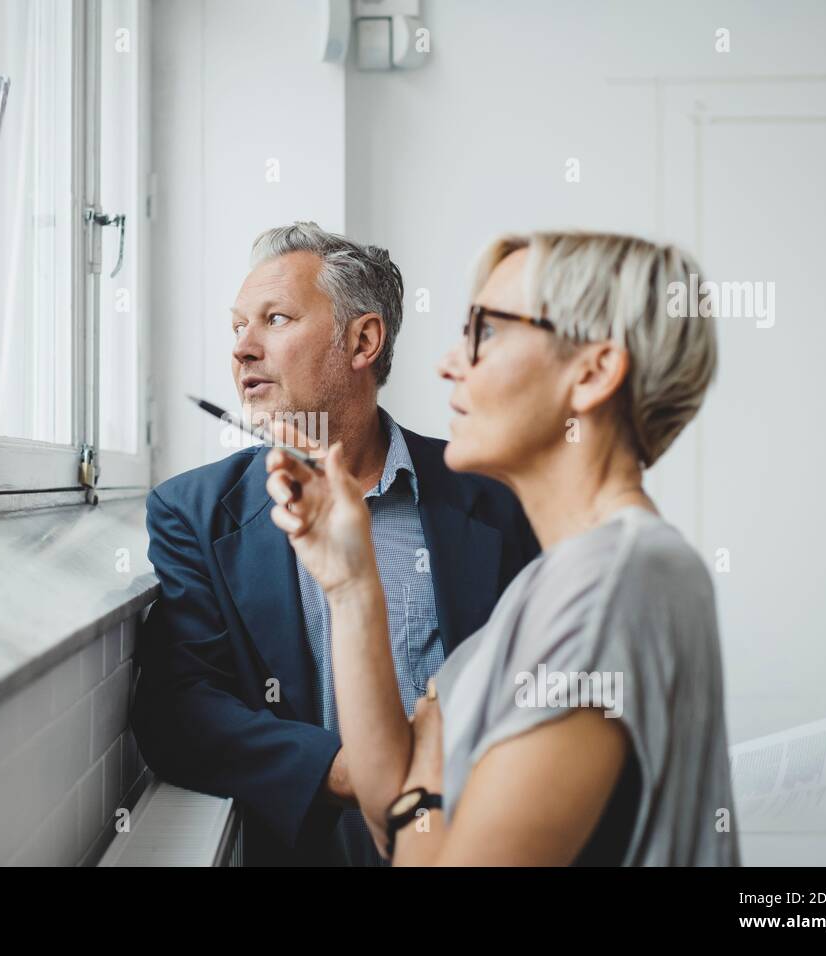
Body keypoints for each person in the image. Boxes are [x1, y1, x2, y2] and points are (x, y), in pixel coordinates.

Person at [265, 231, 739, 865]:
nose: (448, 363)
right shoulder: (550, 584)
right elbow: (388, 806)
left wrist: (424, 780)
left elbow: (412, 811)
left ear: (592, 373)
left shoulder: (611, 584)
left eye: (485, 331)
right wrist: (350, 583)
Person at [131, 222, 538, 865]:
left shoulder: (490, 496)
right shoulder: (193, 514)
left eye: (276, 319)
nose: (243, 349)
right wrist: (363, 777)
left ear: (363, 340)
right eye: (238, 327)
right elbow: (180, 710)